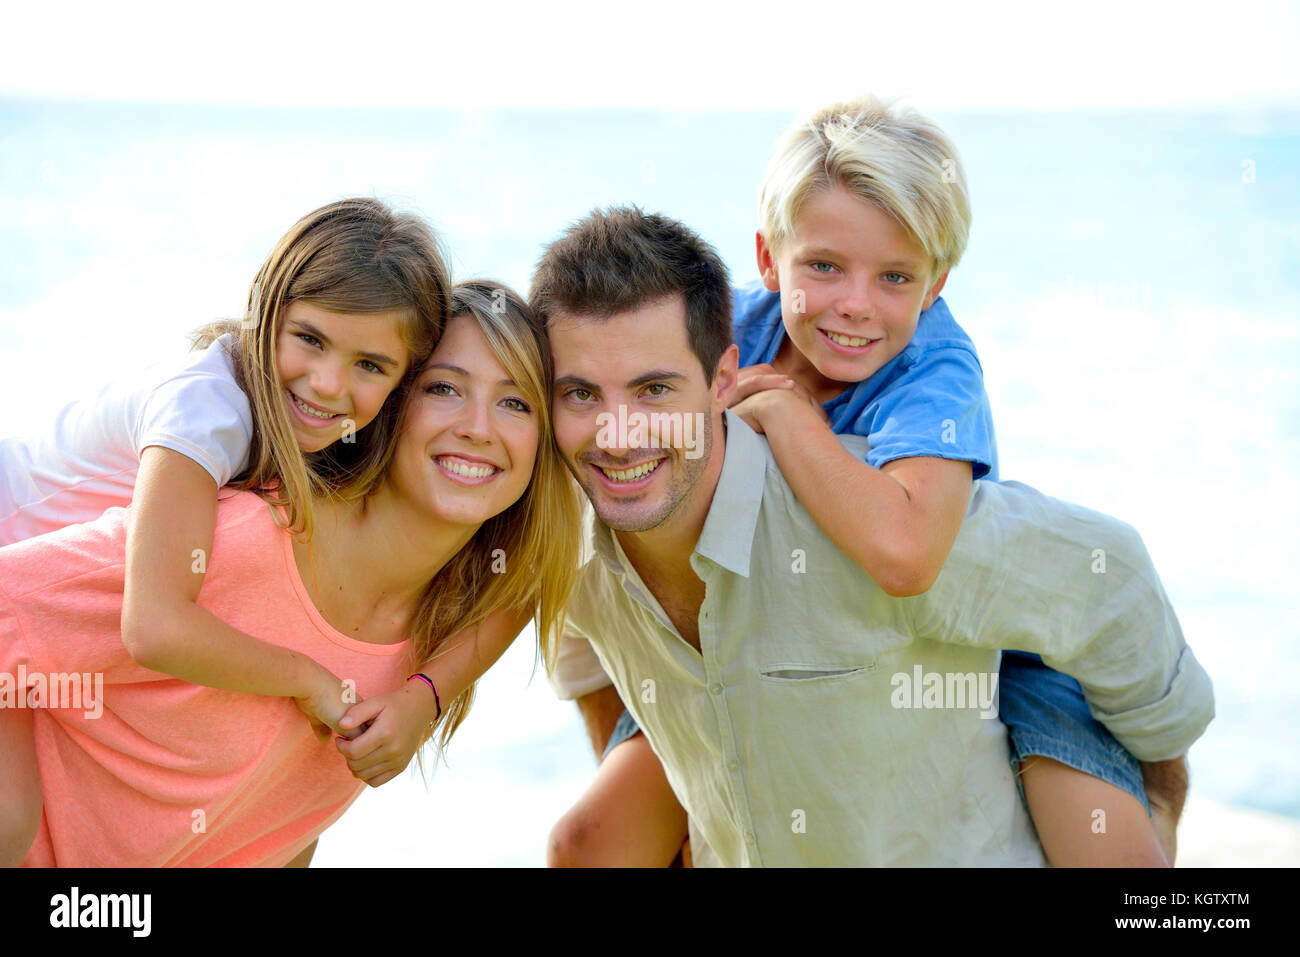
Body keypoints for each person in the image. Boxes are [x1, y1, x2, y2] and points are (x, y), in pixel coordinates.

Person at [546, 98, 1186, 866]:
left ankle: (1156, 807)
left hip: (997, 650)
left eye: (895, 276)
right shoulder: (730, 334)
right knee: (584, 839)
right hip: (748, 648)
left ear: (936, 282)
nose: (854, 303)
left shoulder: (935, 368)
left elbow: (908, 554)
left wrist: (793, 422)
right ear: (767, 258)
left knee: (1122, 857)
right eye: (822, 265)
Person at [0, 281, 581, 867]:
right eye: (444, 388)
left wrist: (427, 697)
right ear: (390, 407)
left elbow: (277, 836)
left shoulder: (440, 639)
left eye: (516, 403)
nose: (478, 427)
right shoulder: (244, 539)